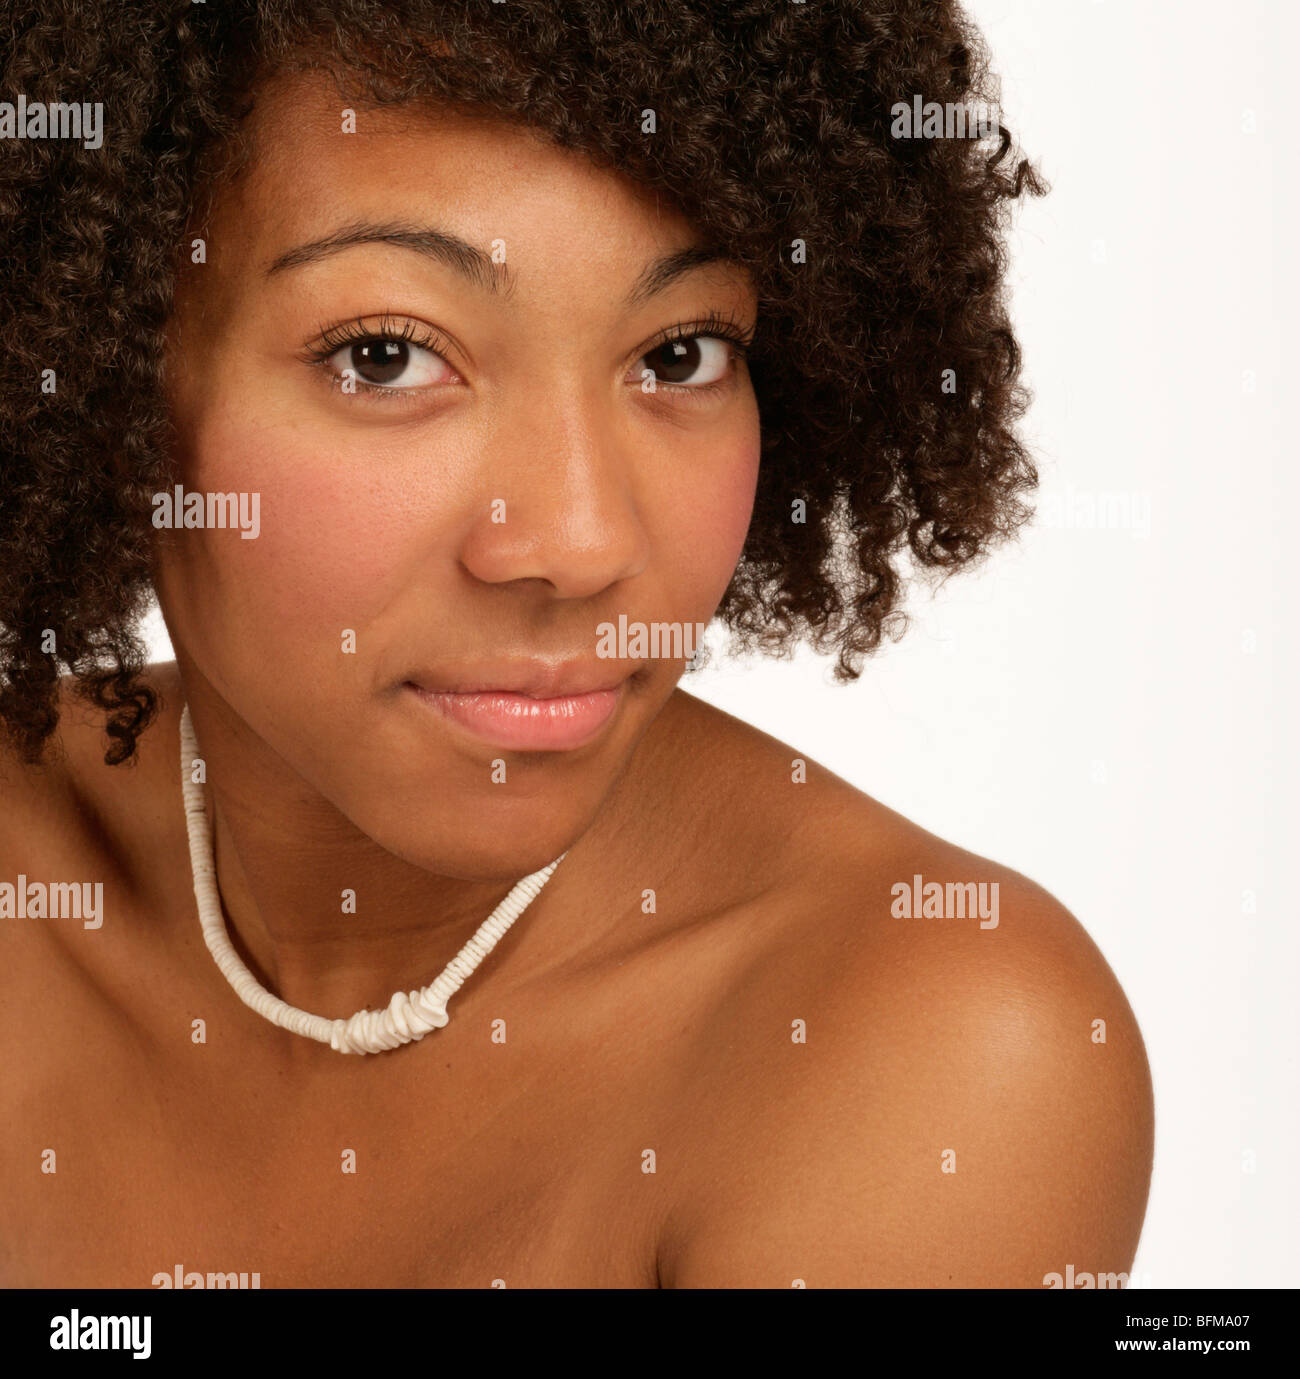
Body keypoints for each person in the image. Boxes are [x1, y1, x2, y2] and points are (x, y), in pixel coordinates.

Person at [0, 1, 1153, 1287]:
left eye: (679, 352)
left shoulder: (924, 1040)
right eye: (385, 356)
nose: (578, 538)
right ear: (98, 368)